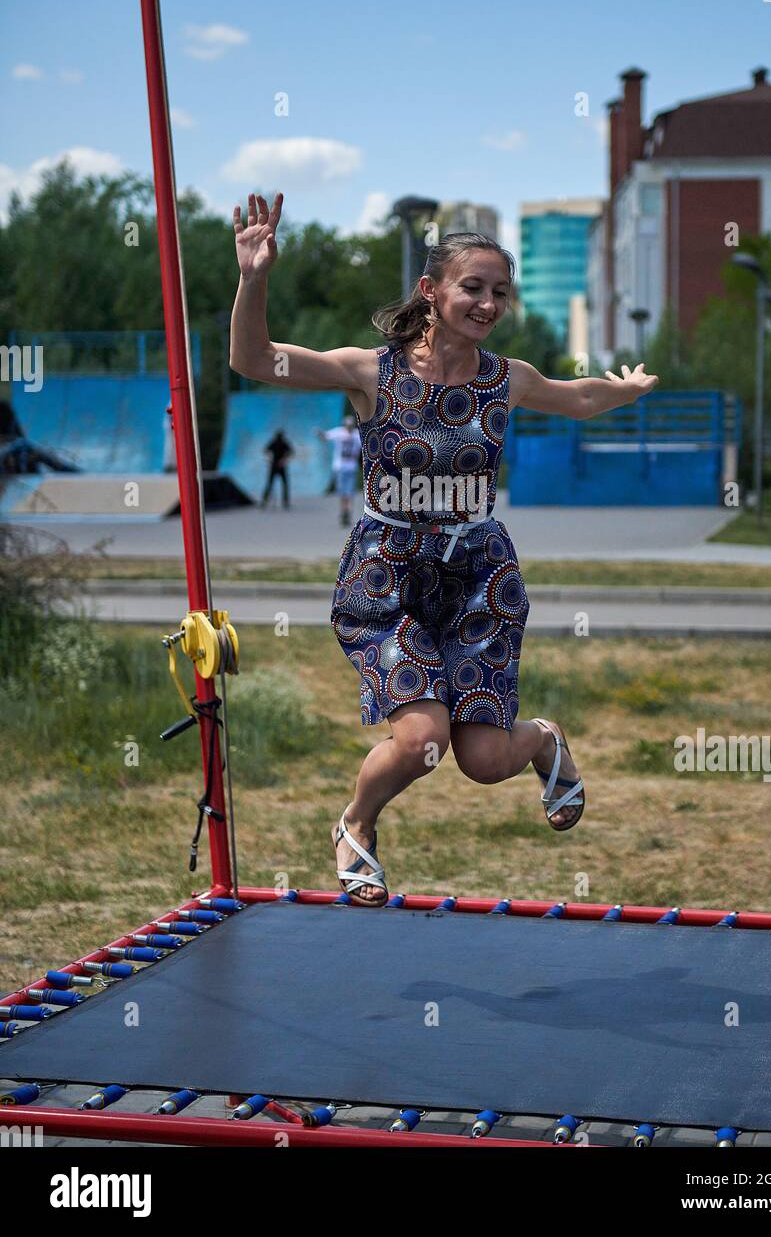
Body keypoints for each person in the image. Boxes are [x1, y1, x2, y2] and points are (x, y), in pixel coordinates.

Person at [229, 192, 658, 907]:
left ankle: (544, 741)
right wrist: (254, 276)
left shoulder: (504, 379)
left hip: (478, 579)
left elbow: (578, 399)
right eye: (472, 287)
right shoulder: (372, 373)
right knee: (421, 739)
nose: (487, 303)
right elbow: (255, 360)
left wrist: (627, 391)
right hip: (386, 578)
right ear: (431, 292)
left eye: (498, 292)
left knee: (485, 763)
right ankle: (356, 825)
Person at [317, 415, 360, 526]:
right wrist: (320, 434)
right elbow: (326, 437)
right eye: (348, 426)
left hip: (348, 466)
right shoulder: (344, 433)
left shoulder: (353, 434)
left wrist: (320, 434)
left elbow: (325, 437)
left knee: (348, 492)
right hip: (342, 466)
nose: (349, 428)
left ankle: (347, 512)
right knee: (343, 491)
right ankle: (344, 511)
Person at [262, 428, 294, 508]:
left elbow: (265, 451)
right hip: (280, 466)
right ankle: (285, 502)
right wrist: (283, 460)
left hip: (274, 465)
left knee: (270, 483)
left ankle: (264, 501)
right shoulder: (283, 442)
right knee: (284, 484)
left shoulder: (274, 442)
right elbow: (291, 452)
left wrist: (269, 460)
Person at [162, 401, 176, 473]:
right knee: (169, 449)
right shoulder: (172, 402)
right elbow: (169, 413)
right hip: (171, 429)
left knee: (173, 449)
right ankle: (168, 467)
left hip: (173, 428)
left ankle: (173, 467)